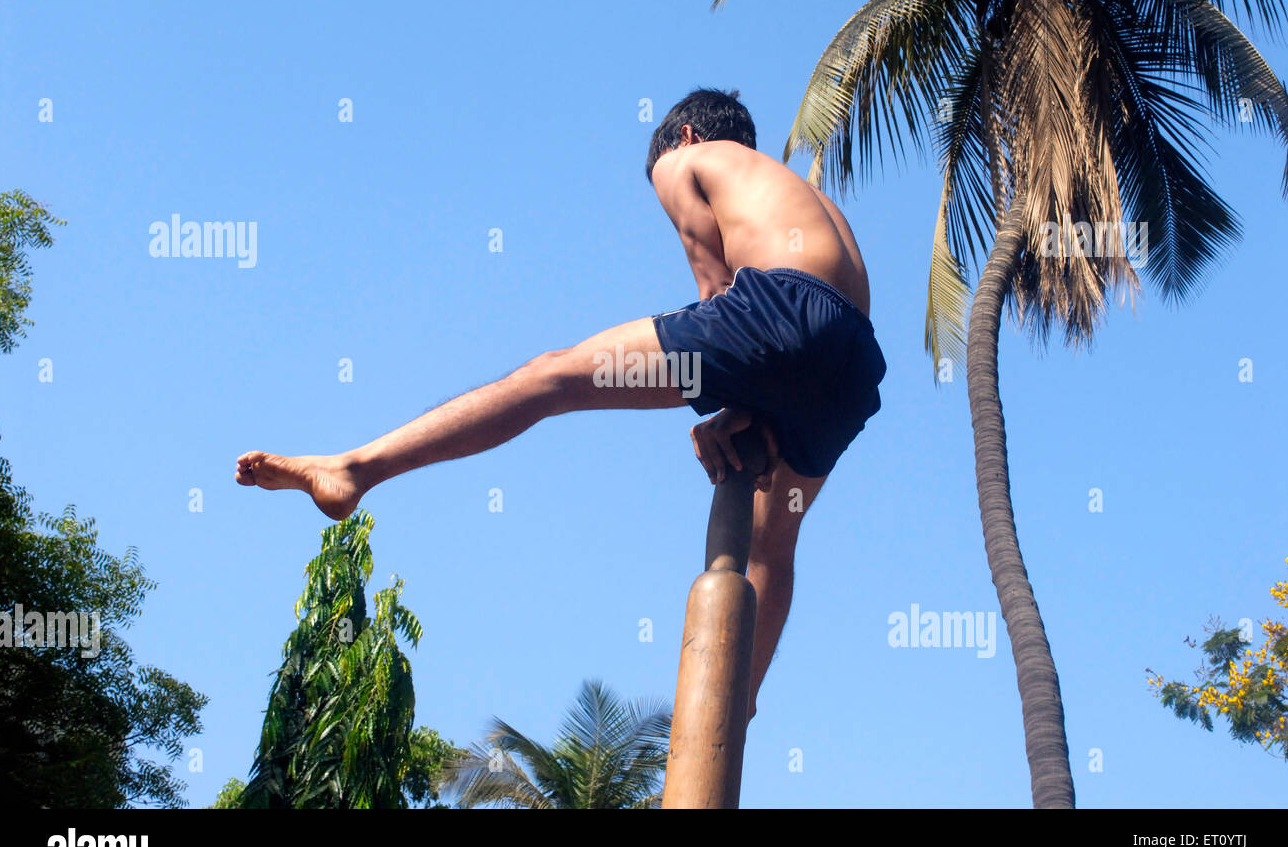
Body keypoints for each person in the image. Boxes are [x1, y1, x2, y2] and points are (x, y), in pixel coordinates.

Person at [235, 88, 886, 720]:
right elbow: (798, 344)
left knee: (550, 379)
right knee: (774, 543)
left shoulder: (688, 159)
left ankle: (354, 470)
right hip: (852, 370)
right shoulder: (805, 198)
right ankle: (736, 706)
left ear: (685, 136)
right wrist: (741, 408)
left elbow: (719, 302)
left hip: (778, 311)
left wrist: (721, 399)